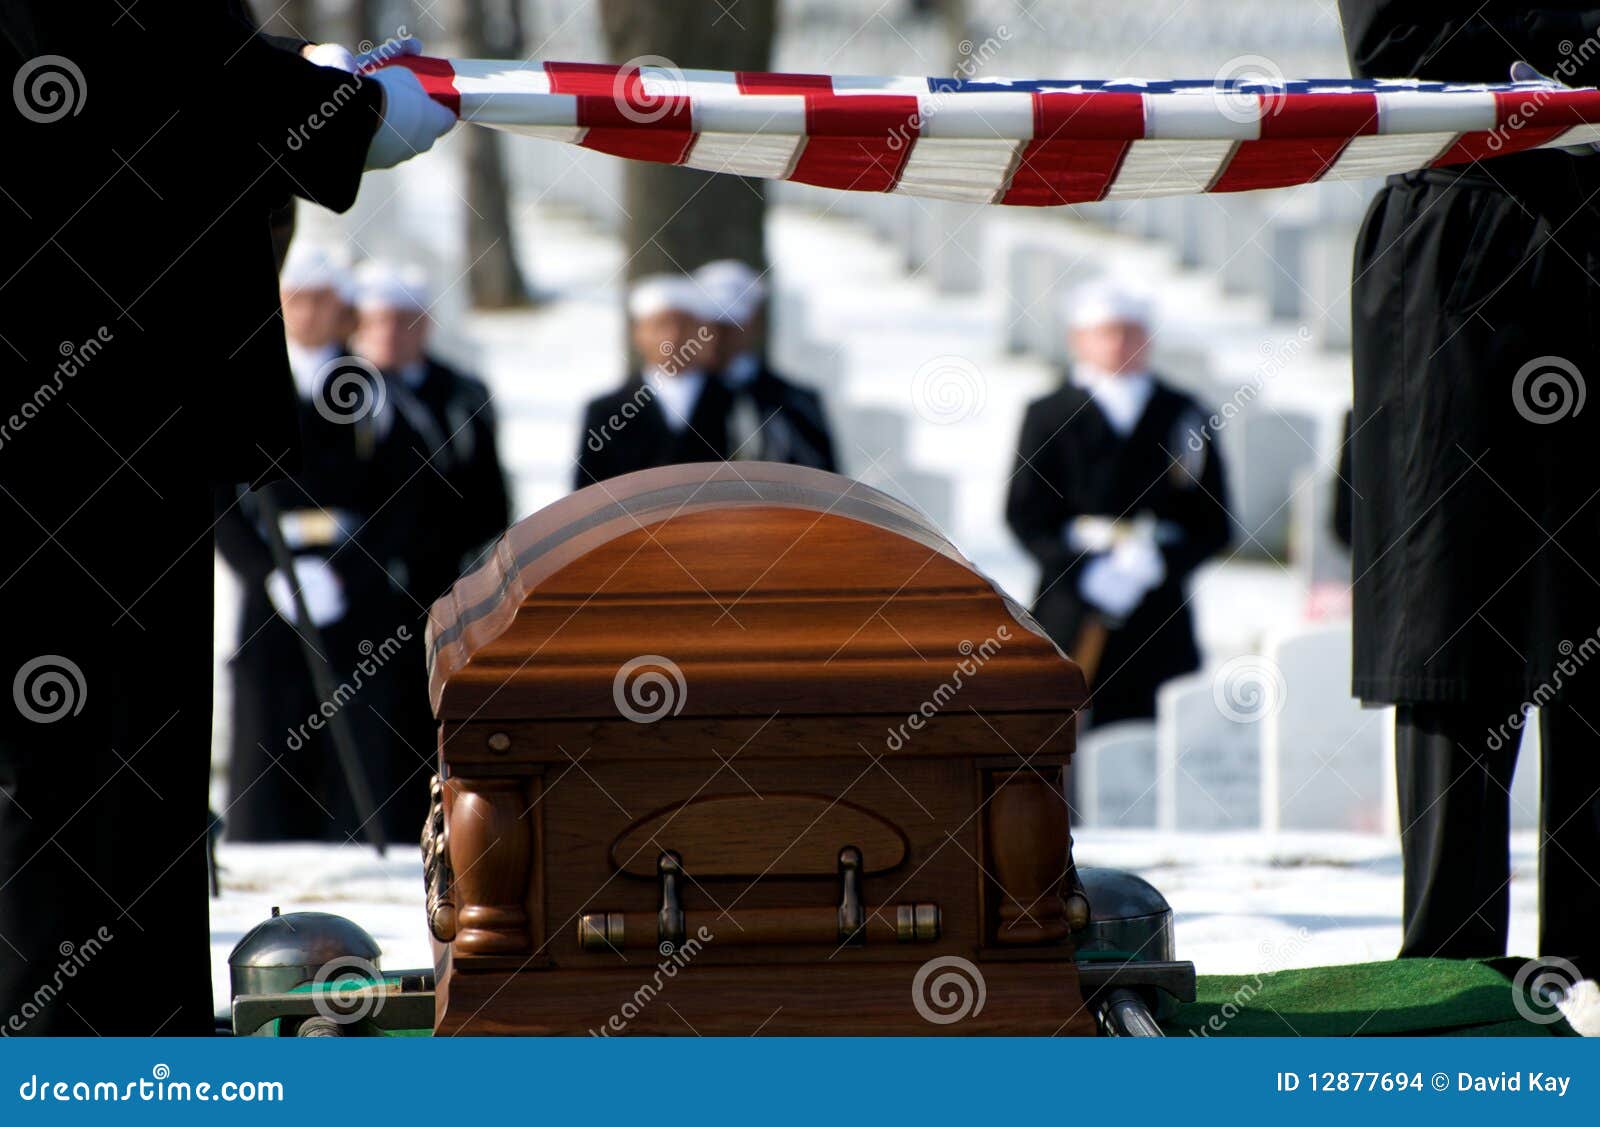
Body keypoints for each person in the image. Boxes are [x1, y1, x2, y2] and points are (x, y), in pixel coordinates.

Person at [0, 5, 455, 1034]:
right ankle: (82, 1046)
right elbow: (147, 42)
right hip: (90, 411)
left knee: (100, 755)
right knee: (97, 756)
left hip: (85, 405)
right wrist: (340, 113)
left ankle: (92, 1025)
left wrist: (294, 79)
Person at [1339, 0, 1600, 976]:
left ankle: (1585, 949)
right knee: (1452, 622)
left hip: (1586, 225)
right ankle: (1451, 960)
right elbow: (1398, 44)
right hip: (1458, 232)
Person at [1005, 282, 1231, 728]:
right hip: (1069, 604)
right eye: (1105, 332)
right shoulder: (1048, 413)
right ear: (1078, 340)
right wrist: (1083, 571)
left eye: (1130, 331)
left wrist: (1159, 563)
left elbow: (1213, 521)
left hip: (1160, 614)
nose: (1119, 344)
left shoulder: (1183, 412)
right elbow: (1025, 514)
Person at [348, 260, 511, 834]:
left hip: (444, 578)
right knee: (370, 714)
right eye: (379, 321)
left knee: (437, 705)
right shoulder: (343, 390)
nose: (392, 333)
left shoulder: (463, 393)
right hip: (365, 582)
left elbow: (490, 493)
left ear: (426, 325)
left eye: (404, 320)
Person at [574, 274, 731, 487]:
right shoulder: (606, 411)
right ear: (638, 334)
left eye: (684, 325)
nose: (673, 337)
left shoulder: (737, 402)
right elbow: (586, 496)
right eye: (660, 325)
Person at [693, 259, 838, 472]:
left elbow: (825, 483)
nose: (718, 335)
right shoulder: (677, 402)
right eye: (710, 324)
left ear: (755, 320)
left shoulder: (796, 402)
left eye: (731, 324)